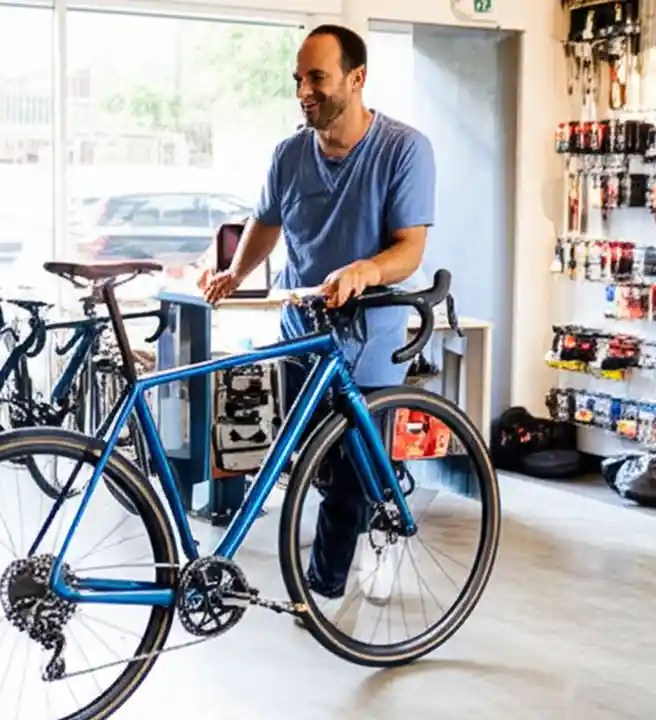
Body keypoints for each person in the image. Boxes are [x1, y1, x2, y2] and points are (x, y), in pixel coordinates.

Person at [199, 24, 435, 600]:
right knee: (308, 458)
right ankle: (371, 513)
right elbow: (266, 221)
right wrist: (235, 272)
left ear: (356, 79)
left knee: (350, 473)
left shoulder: (404, 149)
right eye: (299, 79)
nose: (304, 90)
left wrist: (366, 270)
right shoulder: (289, 154)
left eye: (318, 78)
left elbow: (410, 247)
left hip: (370, 338)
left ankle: (330, 585)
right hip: (303, 334)